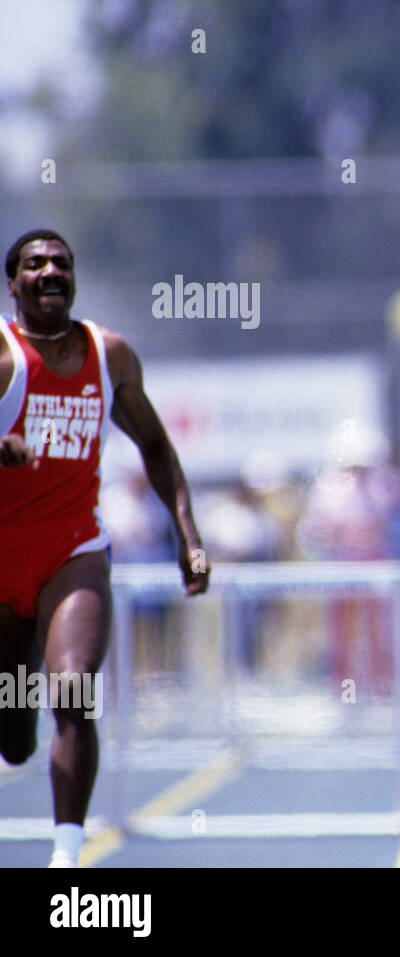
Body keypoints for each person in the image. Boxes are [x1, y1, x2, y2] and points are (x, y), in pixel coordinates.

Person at [0, 229, 208, 867]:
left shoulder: (108, 354)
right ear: (14, 284)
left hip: (74, 550)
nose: (51, 271)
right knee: (13, 735)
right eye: (35, 264)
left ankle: (67, 858)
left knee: (73, 691)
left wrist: (189, 539)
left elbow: (155, 447)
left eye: (62, 262)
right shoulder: (3, 356)